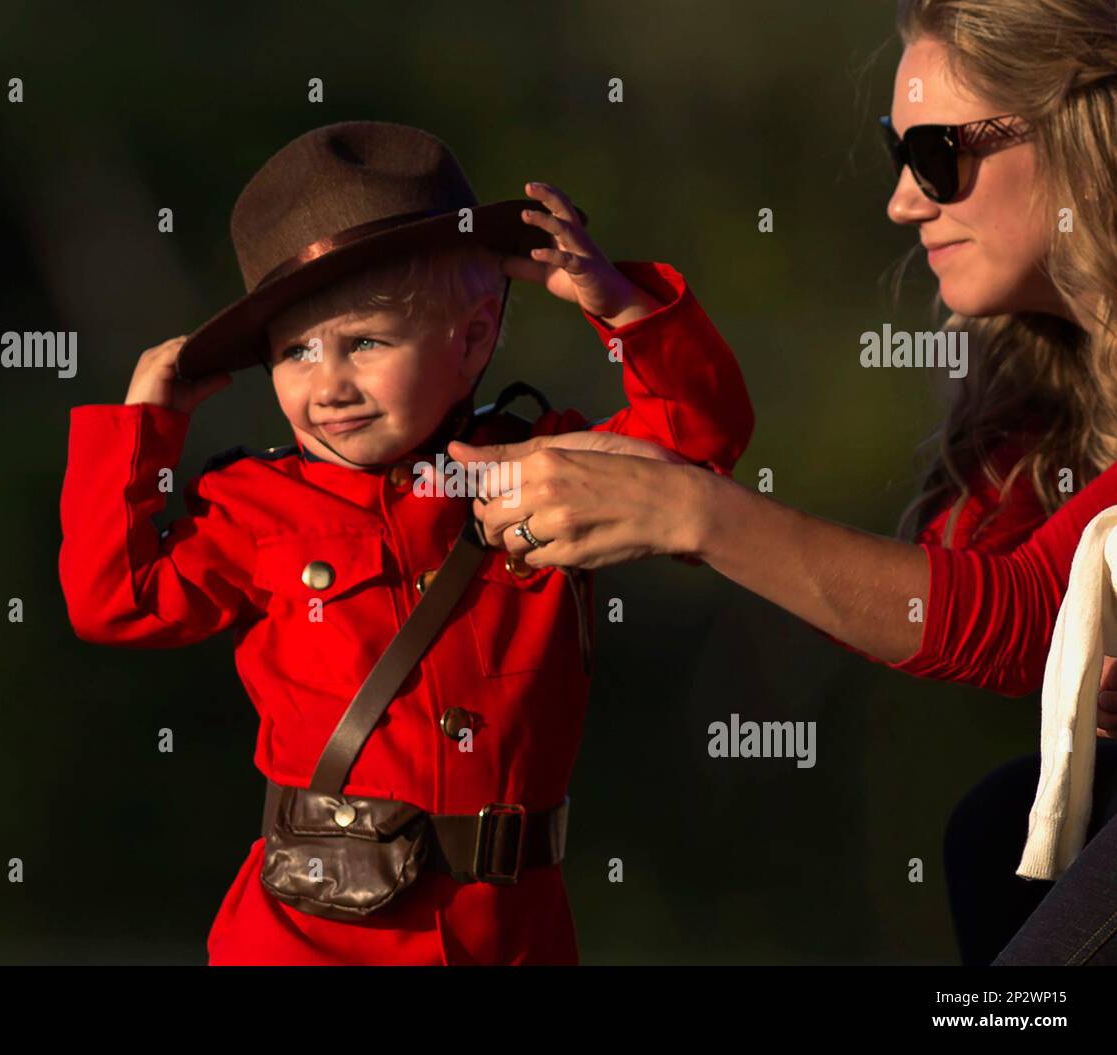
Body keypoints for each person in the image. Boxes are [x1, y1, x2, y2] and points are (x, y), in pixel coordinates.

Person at [450, 0, 1117, 965]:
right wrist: (670, 483)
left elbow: (1011, 615)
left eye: (937, 155)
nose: (903, 201)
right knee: (993, 832)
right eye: (896, 152)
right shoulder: (1052, 373)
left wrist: (691, 512)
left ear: (1084, 131)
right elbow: (965, 605)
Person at [56, 120, 755, 965]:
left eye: (366, 342)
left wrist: (624, 310)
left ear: (472, 340)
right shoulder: (255, 504)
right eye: (296, 352)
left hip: (512, 936)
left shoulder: (542, 467)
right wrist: (142, 428)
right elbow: (115, 600)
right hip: (310, 939)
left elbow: (695, 452)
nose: (328, 384)